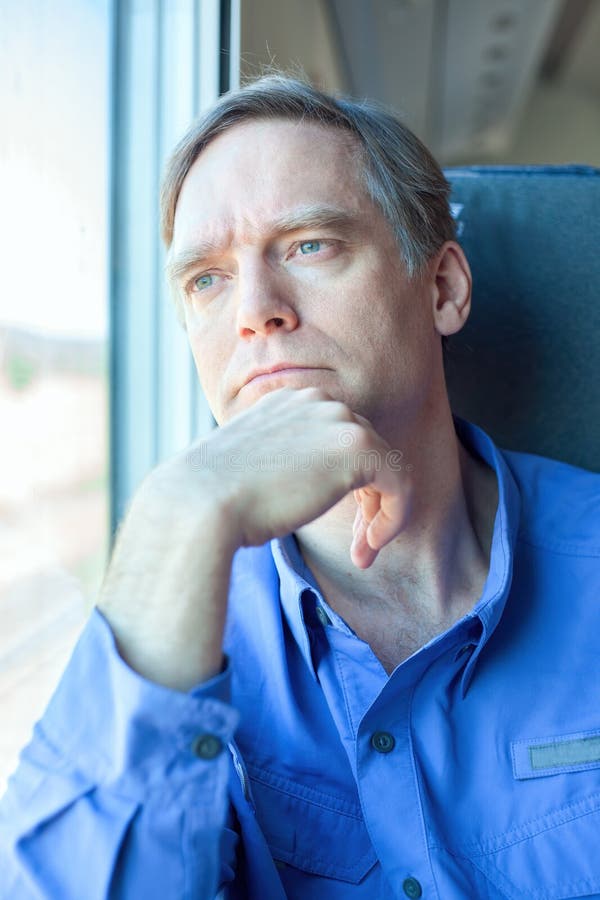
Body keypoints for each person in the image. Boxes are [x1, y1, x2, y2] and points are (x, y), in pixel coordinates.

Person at [1, 74, 599, 900]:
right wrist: (177, 509)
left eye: (310, 245)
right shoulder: (172, 636)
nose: (255, 311)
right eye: (206, 279)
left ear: (442, 289)